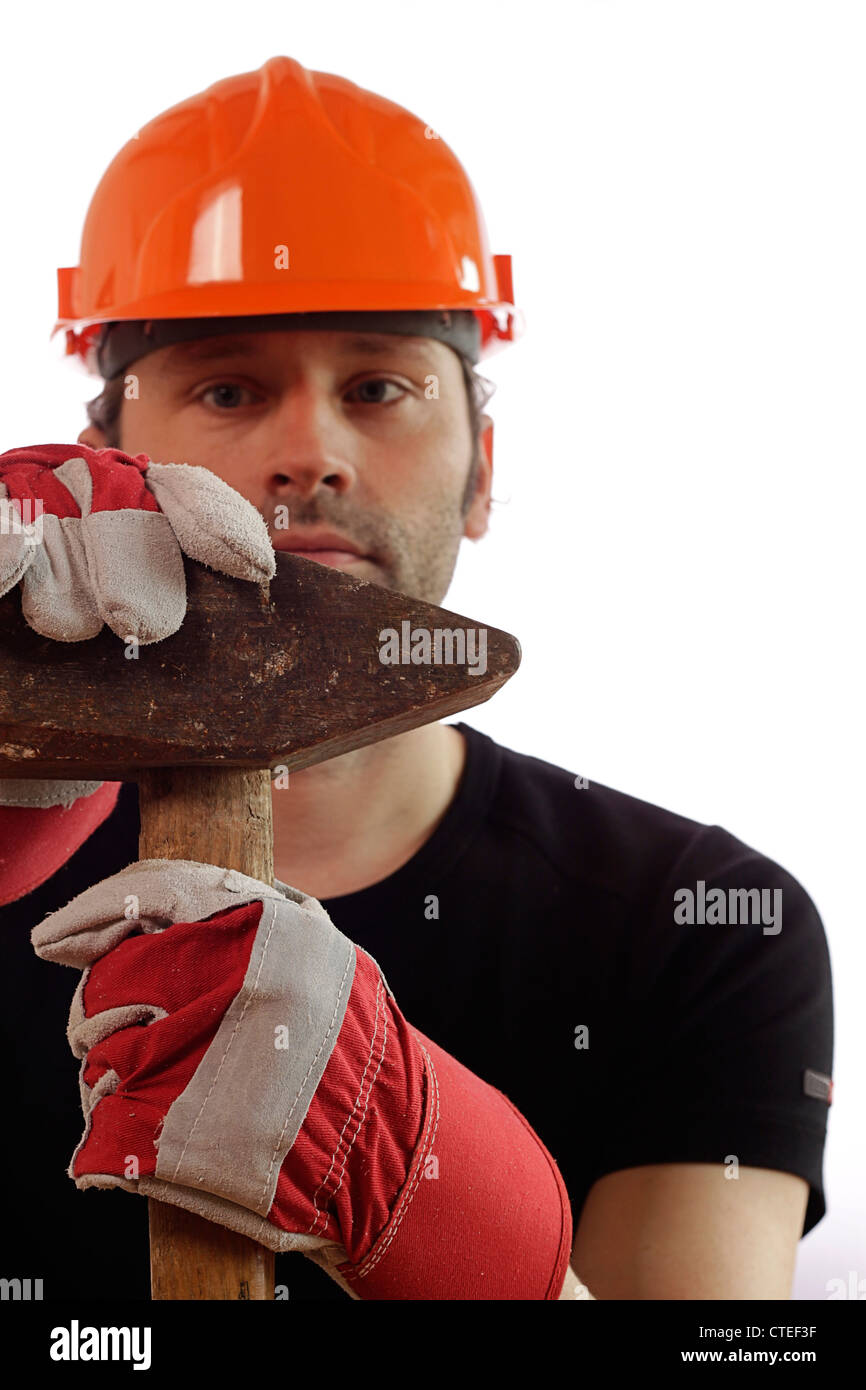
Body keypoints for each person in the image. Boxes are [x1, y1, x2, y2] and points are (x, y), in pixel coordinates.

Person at [0, 55, 832, 1301]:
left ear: (481, 469)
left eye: (380, 386)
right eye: (227, 387)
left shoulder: (698, 925)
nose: (309, 454)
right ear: (105, 458)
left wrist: (415, 1190)